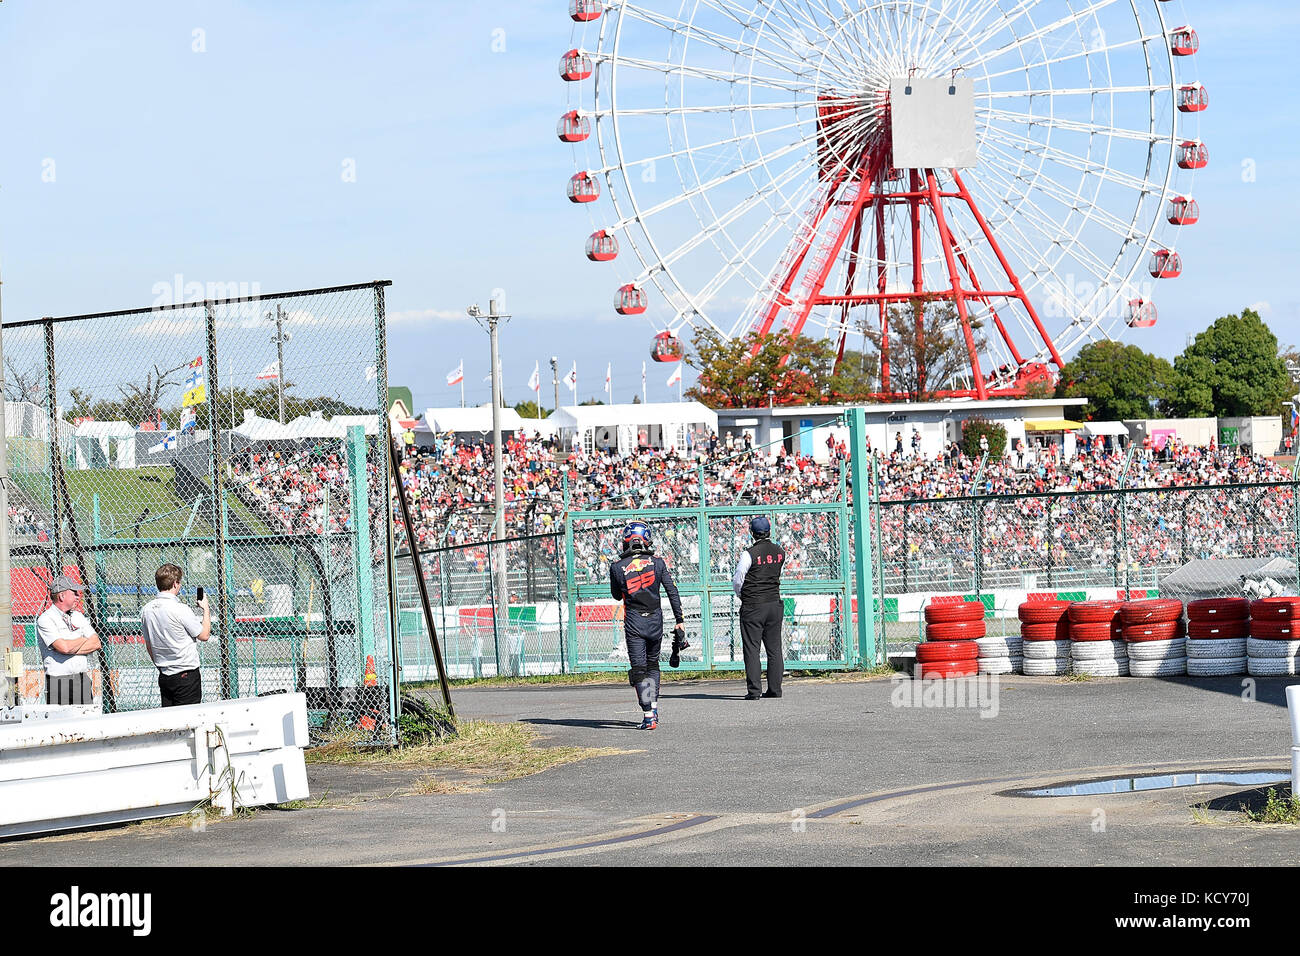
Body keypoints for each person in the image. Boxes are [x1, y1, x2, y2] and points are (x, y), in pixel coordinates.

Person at [608, 521, 686, 730]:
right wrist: (680, 620)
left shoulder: (616, 567)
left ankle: (648, 714)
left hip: (634, 621)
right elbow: (672, 591)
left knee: (639, 669)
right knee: (652, 665)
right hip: (655, 620)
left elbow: (617, 596)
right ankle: (654, 707)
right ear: (646, 538)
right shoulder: (658, 562)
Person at [141, 563, 212, 707]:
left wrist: (162, 665)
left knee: (170, 721)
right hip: (185, 674)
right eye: (179, 583)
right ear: (175, 584)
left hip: (165, 674)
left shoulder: (146, 610)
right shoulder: (180, 609)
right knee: (189, 719)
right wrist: (206, 608)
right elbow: (204, 635)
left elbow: (149, 645)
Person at [732, 515, 787, 700]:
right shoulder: (779, 551)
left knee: (752, 649)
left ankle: (754, 691)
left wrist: (742, 595)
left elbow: (738, 577)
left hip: (753, 605)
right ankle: (775, 689)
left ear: (752, 533)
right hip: (774, 602)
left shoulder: (749, 553)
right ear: (769, 531)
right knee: (774, 649)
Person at [36, 575, 100, 704]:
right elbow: (63, 647)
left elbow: (96, 643)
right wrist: (82, 639)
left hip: (81, 679)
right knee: (60, 723)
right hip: (58, 682)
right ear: (62, 596)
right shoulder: (46, 619)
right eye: (74, 593)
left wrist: (71, 645)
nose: (78, 596)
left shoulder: (78, 616)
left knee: (87, 721)